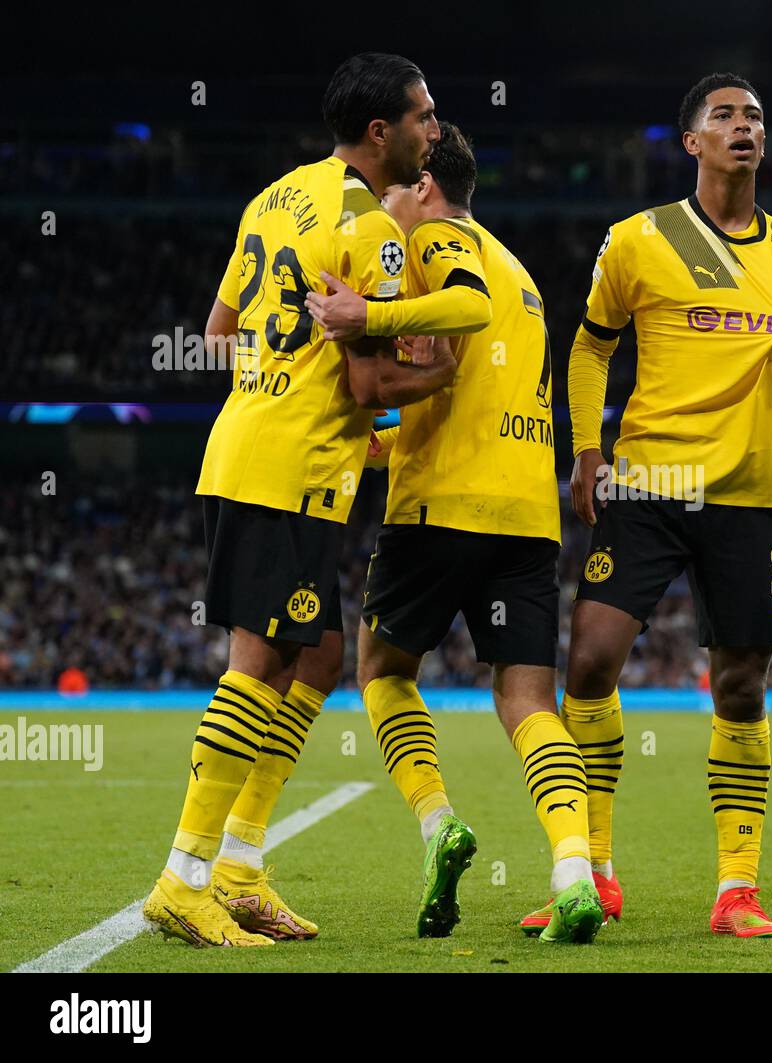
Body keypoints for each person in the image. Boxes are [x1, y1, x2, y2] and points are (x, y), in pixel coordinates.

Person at [143, 53, 445, 947]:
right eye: (424, 116)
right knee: (262, 660)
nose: (435, 130)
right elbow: (367, 382)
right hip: (293, 468)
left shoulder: (274, 198)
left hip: (251, 447)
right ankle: (181, 876)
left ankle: (237, 867)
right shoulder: (377, 233)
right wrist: (440, 371)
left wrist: (279, 388)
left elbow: (217, 333)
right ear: (381, 132)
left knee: (312, 655)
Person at [556, 73, 772, 939]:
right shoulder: (637, 242)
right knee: (591, 660)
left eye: (755, 116)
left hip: (752, 489)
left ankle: (737, 890)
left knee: (741, 681)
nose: (744, 126)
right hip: (648, 480)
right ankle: (596, 872)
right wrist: (585, 449)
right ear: (693, 142)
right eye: (725, 116)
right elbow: (590, 346)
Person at [306, 125, 603, 943]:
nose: (386, 202)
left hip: (439, 505)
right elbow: (467, 384)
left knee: (383, 669)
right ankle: (574, 869)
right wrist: (390, 437)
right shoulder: (526, 275)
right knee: (527, 700)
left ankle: (440, 821)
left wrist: (372, 311)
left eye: (396, 187)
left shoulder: (437, 241)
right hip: (525, 515)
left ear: (426, 183)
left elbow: (456, 319)